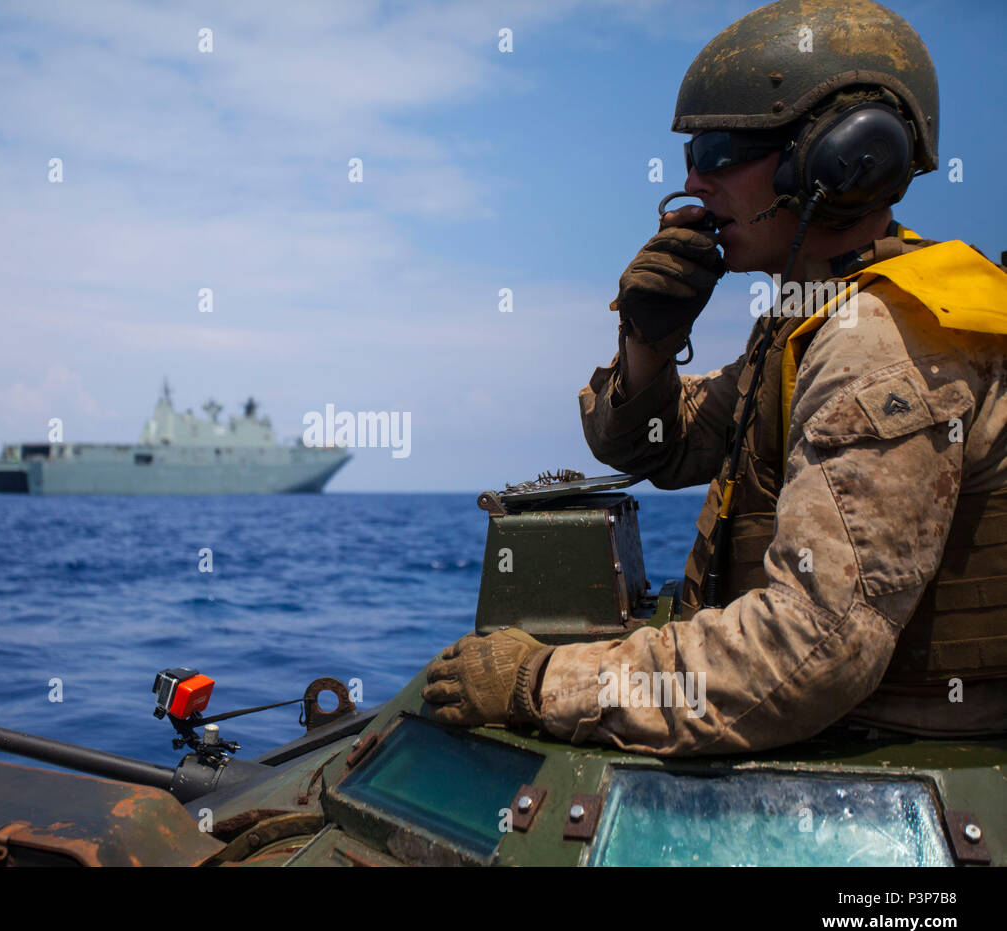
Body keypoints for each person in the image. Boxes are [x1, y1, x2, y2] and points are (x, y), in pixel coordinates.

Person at [423, 0, 1007, 755]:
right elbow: (665, 448)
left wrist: (543, 683)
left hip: (887, 749)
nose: (694, 182)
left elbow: (811, 651)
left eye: (720, 149)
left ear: (836, 157)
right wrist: (649, 343)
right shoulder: (812, 319)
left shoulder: (883, 344)